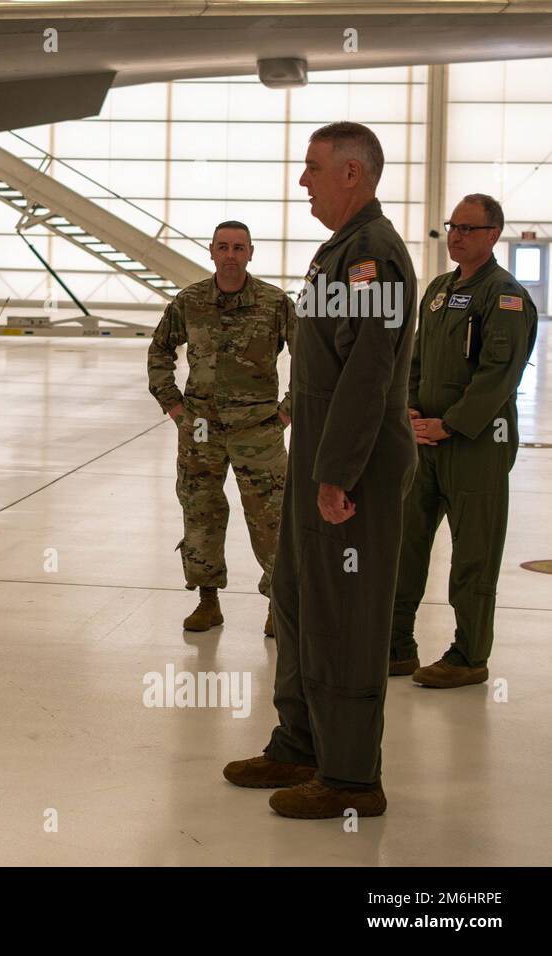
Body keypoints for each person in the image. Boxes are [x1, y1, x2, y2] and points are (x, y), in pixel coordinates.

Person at [224, 122, 416, 819]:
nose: (302, 180)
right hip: (320, 457)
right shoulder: (339, 251)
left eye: (312, 168)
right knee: (301, 602)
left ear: (352, 174)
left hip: (352, 467)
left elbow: (369, 372)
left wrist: (336, 472)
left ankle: (352, 778)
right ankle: (300, 744)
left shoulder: (373, 258)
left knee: (346, 619)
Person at [390, 194, 538, 687]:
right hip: (424, 444)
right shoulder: (436, 291)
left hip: (475, 447)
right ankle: (396, 646)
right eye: (452, 225)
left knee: (473, 557)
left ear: (494, 234)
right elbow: (415, 359)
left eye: (468, 228)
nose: (456, 235)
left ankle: (469, 656)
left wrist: (449, 424)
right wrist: (410, 410)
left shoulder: (506, 297)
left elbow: (499, 377)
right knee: (406, 547)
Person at [148, 220, 295, 636]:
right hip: (200, 433)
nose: (231, 255)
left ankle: (278, 604)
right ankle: (207, 601)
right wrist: (175, 408)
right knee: (201, 513)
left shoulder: (274, 303)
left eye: (239, 248)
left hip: (258, 430)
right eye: (224, 247)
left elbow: (309, 360)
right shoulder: (190, 301)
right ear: (211, 251)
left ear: (251, 253)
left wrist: (288, 412)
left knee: (272, 520)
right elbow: (160, 349)